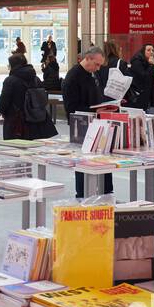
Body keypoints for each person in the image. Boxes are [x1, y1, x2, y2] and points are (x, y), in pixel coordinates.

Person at [63, 45, 111, 198]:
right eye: (96, 64)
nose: (97, 68)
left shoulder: (92, 74)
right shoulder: (73, 77)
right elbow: (71, 108)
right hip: (81, 126)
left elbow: (96, 96)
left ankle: (106, 190)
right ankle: (82, 193)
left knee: (104, 157)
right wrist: (94, 111)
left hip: (97, 123)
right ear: (88, 58)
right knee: (83, 161)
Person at [0, 54, 56, 140]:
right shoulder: (36, 79)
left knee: (14, 150)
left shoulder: (10, 81)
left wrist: (3, 111)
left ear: (13, 65)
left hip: (17, 124)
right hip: (38, 122)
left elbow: (3, 104)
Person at [127, 43, 154, 110]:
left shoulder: (149, 61)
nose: (151, 52)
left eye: (153, 50)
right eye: (148, 50)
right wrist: (151, 65)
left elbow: (151, 76)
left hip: (147, 93)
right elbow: (144, 76)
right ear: (143, 51)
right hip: (139, 95)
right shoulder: (137, 61)